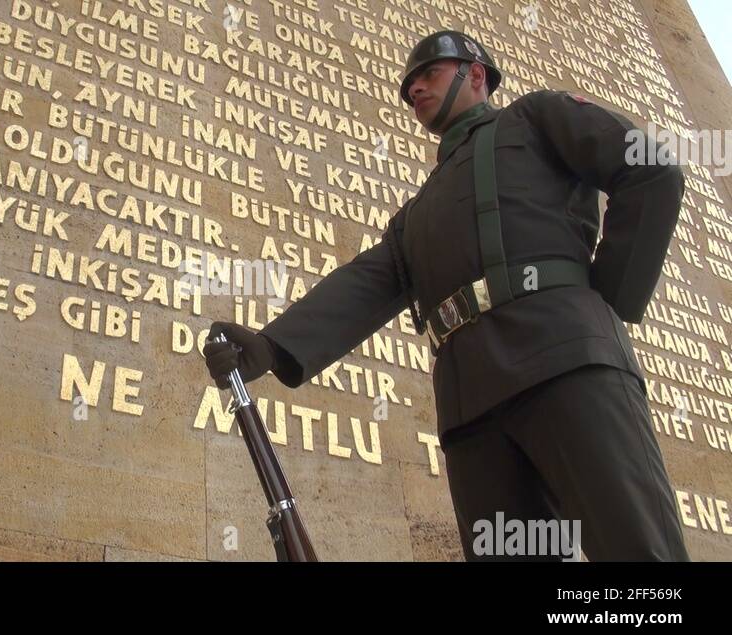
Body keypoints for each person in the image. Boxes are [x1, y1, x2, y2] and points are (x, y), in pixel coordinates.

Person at [204, 30, 690, 561]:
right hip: (471, 407)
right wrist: (272, 347)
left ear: (475, 75)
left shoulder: (536, 118)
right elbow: (367, 282)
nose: (414, 90)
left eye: (427, 75)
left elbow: (650, 170)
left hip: (566, 365)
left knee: (638, 558)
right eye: (408, 85)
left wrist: (606, 300)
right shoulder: (417, 213)